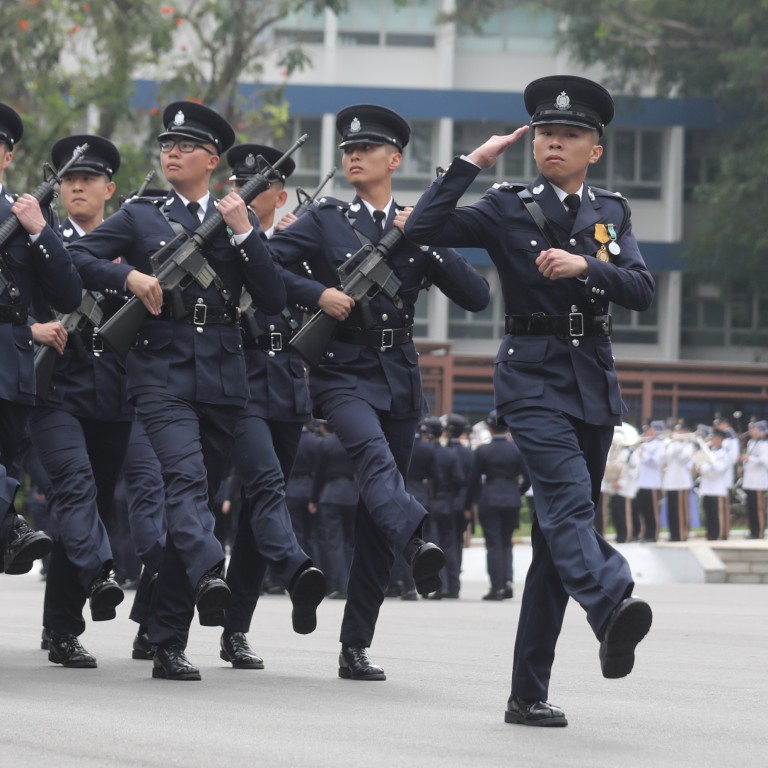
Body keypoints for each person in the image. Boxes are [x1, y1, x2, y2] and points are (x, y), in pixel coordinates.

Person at [406, 75, 654, 726]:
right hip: (532, 377)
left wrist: (586, 268)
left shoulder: (612, 212)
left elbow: (641, 289)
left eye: (569, 135)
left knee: (553, 542)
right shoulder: (503, 205)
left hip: (593, 382)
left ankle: (527, 693)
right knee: (568, 501)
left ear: (593, 149)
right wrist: (472, 161)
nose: (553, 142)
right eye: (545, 133)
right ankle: (610, 603)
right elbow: (423, 227)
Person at [66, 101, 286, 681]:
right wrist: (129, 276)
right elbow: (78, 255)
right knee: (185, 483)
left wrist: (245, 234)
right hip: (160, 372)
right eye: (167, 144)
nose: (172, 152)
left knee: (199, 497)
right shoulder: (142, 216)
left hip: (222, 376)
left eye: (186, 146)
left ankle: (167, 641)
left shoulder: (235, 217)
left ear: (212, 160)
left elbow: (271, 298)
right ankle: (212, 569)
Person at [269, 104, 490, 680]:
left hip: (398, 376)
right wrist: (316, 294)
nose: (353, 156)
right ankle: (418, 539)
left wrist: (425, 237)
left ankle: (356, 644)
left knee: (375, 513)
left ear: (394, 160)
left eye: (365, 149)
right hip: (342, 371)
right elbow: (264, 268)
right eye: (347, 150)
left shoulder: (418, 223)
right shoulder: (324, 220)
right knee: (370, 458)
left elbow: (476, 296)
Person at [30, 135, 133, 669]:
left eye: (88, 179)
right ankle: (98, 578)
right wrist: (31, 326)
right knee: (75, 489)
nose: (76, 186)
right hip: (55, 391)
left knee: (94, 504)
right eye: (69, 178)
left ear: (109, 189)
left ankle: (59, 627)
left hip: (113, 393)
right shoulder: (36, 238)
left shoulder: (127, 246)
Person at [221, 142, 325, 670]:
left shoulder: (293, 249)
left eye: (260, 188)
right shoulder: (218, 245)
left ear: (279, 198)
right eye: (241, 185)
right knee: (264, 488)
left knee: (253, 519)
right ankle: (296, 570)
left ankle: (233, 630)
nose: (248, 194)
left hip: (286, 389)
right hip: (238, 388)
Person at [0, 102, 81, 579]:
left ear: (8, 157)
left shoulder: (24, 213)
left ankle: (9, 525)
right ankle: (12, 526)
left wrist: (39, 231)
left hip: (10, 369)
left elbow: (67, 292)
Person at [465, 410, 528, 600]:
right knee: (506, 542)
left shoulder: (483, 450)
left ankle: (496, 587)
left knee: (493, 544)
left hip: (489, 497)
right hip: (511, 496)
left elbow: (473, 479)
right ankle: (508, 582)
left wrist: (468, 503)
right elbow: (528, 477)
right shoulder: (517, 449)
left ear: (490, 428)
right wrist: (518, 492)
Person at [633, 421, 666, 541]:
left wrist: (644, 455)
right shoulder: (643, 444)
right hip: (641, 482)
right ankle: (644, 533)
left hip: (652, 482)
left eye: (648, 429)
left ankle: (653, 534)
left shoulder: (659, 444)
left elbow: (656, 461)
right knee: (643, 510)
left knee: (652, 510)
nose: (646, 432)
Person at [697, 429, 732, 540]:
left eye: (715, 438)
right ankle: (710, 534)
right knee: (709, 513)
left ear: (721, 439)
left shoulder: (724, 453)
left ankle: (719, 534)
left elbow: (718, 469)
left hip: (717, 489)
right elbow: (699, 465)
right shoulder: (708, 451)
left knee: (717, 514)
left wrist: (705, 468)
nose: (712, 440)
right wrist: (706, 468)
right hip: (706, 488)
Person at [741, 420, 768, 539]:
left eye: (754, 429)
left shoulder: (765, 444)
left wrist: (750, 458)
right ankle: (753, 531)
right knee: (751, 508)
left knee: (759, 508)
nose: (751, 431)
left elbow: (765, 460)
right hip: (749, 480)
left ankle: (760, 532)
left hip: (759, 481)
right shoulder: (751, 443)